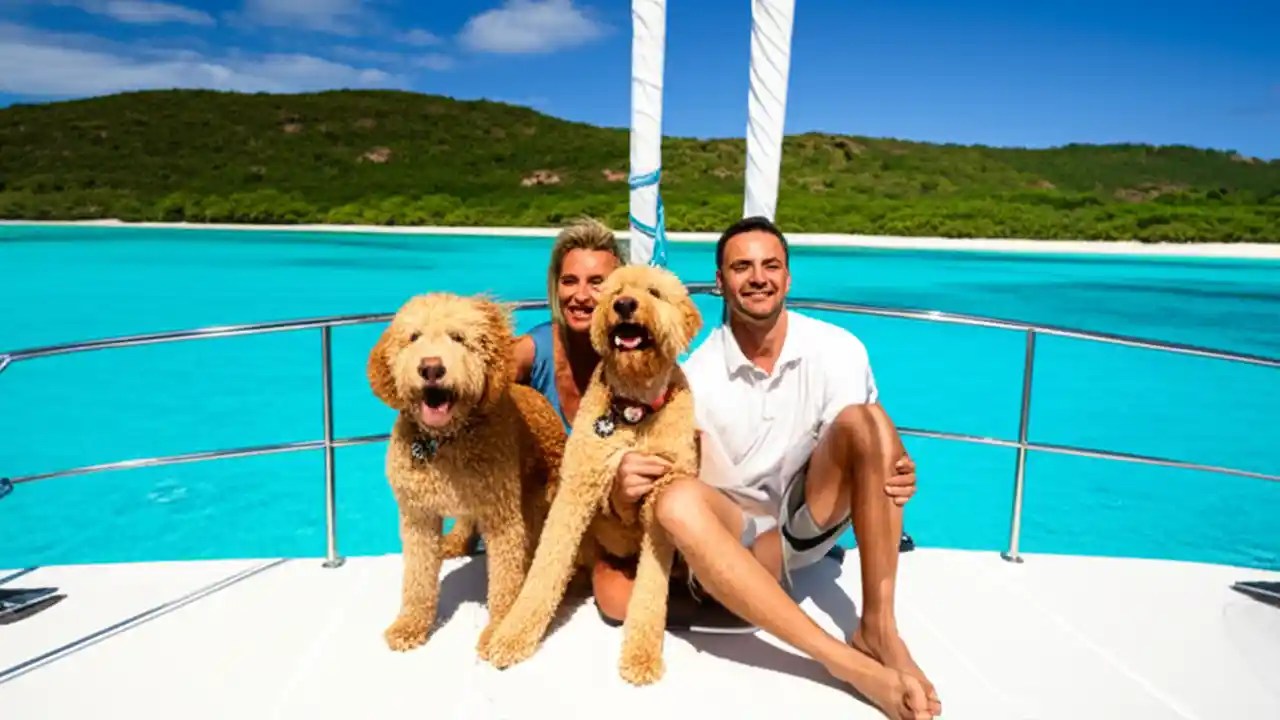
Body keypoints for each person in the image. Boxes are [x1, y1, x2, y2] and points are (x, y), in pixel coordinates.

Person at [596, 216, 941, 720]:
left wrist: (895, 462)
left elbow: (866, 440)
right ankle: (842, 660)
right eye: (742, 267)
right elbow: (659, 474)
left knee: (868, 420)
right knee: (673, 501)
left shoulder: (839, 348)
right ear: (720, 281)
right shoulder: (692, 376)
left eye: (770, 266)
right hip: (735, 536)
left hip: (807, 521)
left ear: (788, 277)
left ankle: (879, 629)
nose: (758, 277)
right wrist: (622, 487)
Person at [457, 217, 625, 555]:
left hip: (609, 527)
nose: (580, 296)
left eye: (597, 283)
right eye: (569, 281)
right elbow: (469, 395)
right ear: (555, 286)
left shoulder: (634, 358)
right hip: (538, 532)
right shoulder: (532, 352)